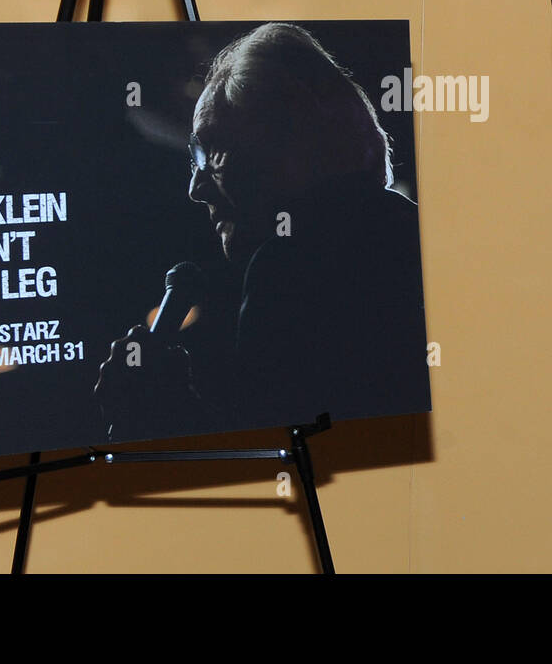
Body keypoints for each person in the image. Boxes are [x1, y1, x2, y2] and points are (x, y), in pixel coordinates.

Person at [94, 23, 428, 441]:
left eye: (212, 150)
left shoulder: (290, 266)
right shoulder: (415, 235)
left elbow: (287, 475)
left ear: (290, 141)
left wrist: (158, 410)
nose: (196, 189)